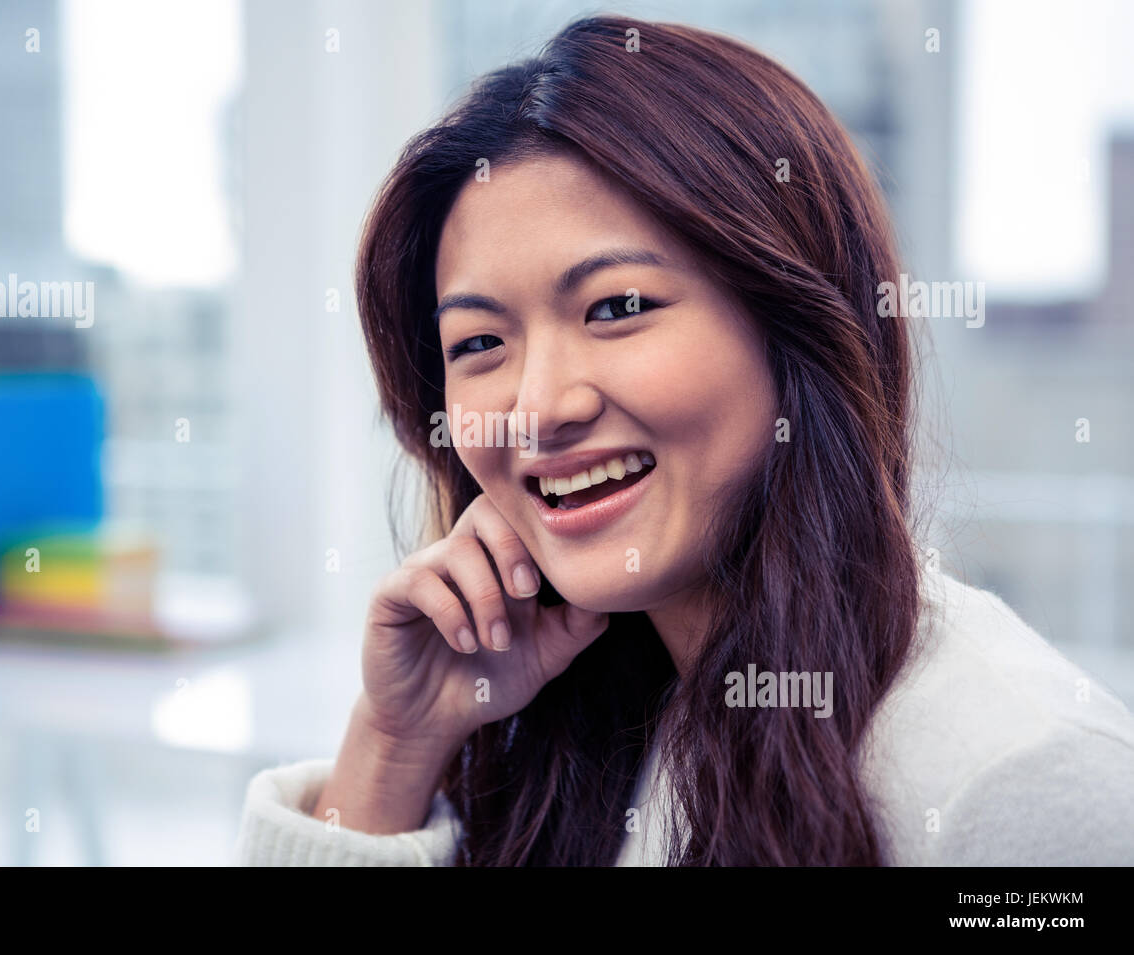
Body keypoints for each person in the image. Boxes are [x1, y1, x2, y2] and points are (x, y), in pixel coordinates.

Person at [234, 14, 1134, 866]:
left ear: (793, 326)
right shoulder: (612, 710)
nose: (536, 408)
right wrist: (396, 743)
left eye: (616, 307)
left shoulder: (1020, 777)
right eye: (478, 344)